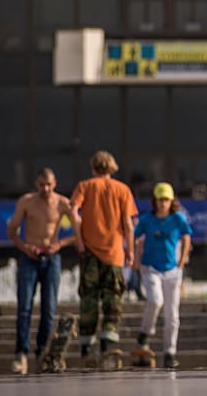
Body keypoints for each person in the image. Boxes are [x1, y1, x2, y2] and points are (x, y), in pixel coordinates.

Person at [70, 151, 138, 368]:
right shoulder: (122, 189)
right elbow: (128, 223)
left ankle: (85, 347)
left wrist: (79, 238)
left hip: (89, 251)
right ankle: (107, 346)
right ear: (112, 167)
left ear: (93, 168)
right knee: (113, 300)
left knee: (88, 298)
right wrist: (130, 250)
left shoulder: (85, 186)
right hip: (114, 253)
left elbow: (72, 210)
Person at [6, 168, 77, 374]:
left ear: (55, 183)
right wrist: (24, 247)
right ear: (36, 184)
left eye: (49, 185)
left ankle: (42, 352)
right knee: (25, 307)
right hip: (30, 257)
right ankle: (21, 354)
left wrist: (61, 243)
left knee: (49, 309)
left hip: (52, 257)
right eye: (41, 185)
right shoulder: (27, 201)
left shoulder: (62, 202)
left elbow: (79, 230)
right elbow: (12, 230)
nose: (45, 189)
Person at [131, 182, 192, 370]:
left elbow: (186, 236)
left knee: (172, 314)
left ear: (171, 201)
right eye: (160, 200)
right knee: (155, 300)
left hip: (172, 270)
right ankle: (146, 332)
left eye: (166, 200)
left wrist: (182, 261)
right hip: (150, 267)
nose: (163, 203)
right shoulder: (147, 219)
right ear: (154, 201)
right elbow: (134, 236)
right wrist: (135, 258)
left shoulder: (178, 219)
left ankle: (169, 352)